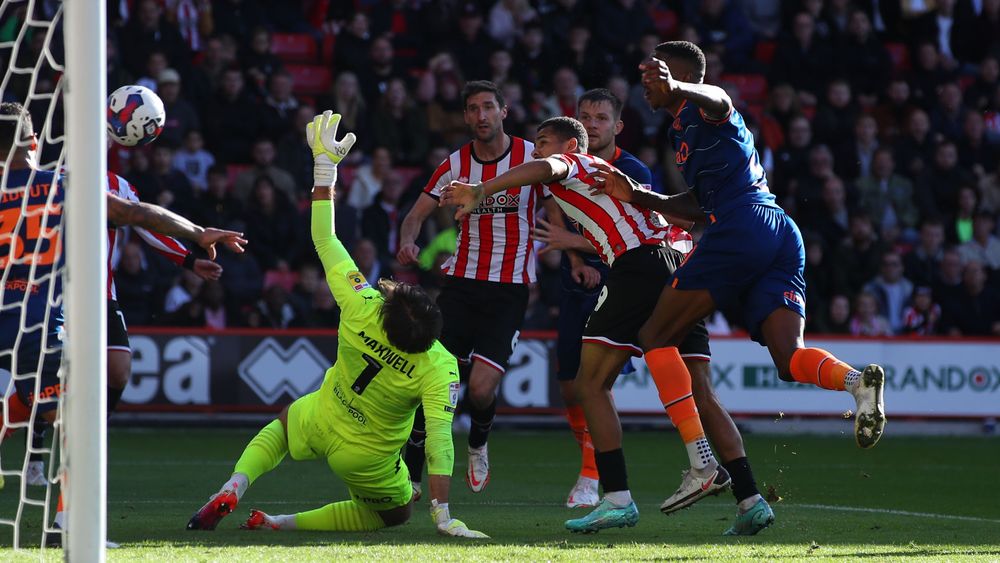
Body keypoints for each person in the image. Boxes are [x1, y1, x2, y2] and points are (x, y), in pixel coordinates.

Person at [584, 41, 887, 530]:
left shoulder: (705, 109)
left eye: (656, 77)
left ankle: (702, 464)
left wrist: (681, 87)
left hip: (742, 227)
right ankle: (857, 383)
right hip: (776, 231)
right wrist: (638, 194)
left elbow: (722, 99)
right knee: (788, 359)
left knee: (655, 335)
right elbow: (697, 206)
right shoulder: (681, 129)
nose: (647, 85)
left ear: (682, 77)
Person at [186, 112, 486, 539]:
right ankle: (280, 522)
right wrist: (443, 513)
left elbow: (325, 239)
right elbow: (440, 441)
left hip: (324, 413)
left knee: (282, 427)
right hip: (366, 456)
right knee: (396, 513)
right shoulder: (439, 365)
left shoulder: (363, 305)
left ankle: (235, 484)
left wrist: (324, 170)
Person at [442, 117, 728, 534]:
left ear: (570, 145)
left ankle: (619, 496)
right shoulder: (602, 176)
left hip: (638, 266)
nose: (536, 150)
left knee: (589, 385)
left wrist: (482, 189)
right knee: (667, 361)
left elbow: (548, 167)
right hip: (668, 261)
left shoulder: (574, 163)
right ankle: (720, 475)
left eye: (543, 141)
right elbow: (668, 220)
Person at [0, 101, 246, 523]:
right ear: (35, 141)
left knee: (37, 399)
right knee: (82, 417)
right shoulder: (61, 185)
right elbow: (136, 214)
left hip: (12, 315)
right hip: (37, 321)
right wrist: (197, 233)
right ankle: (69, 524)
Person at [397, 81, 558, 497]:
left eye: (488, 106)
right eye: (473, 108)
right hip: (461, 286)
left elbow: (557, 202)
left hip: (510, 290)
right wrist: (408, 241)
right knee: (436, 382)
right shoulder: (455, 163)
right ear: (466, 117)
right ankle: (411, 473)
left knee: (482, 389)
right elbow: (415, 214)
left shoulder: (531, 157)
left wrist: (568, 247)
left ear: (504, 111)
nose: (481, 115)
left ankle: (478, 442)